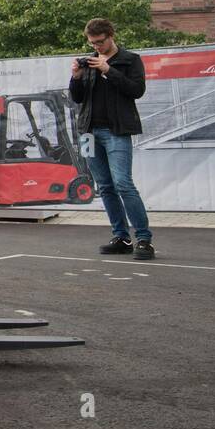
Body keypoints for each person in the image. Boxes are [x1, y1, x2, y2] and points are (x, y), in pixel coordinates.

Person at [69, 18, 152, 260]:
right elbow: (77, 98)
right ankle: (121, 237)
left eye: (101, 42)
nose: (97, 47)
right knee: (104, 186)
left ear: (111, 35)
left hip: (116, 130)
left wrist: (108, 70)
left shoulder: (130, 60)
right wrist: (75, 77)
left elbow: (136, 90)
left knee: (123, 183)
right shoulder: (90, 62)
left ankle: (144, 239)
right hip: (88, 132)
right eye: (93, 43)